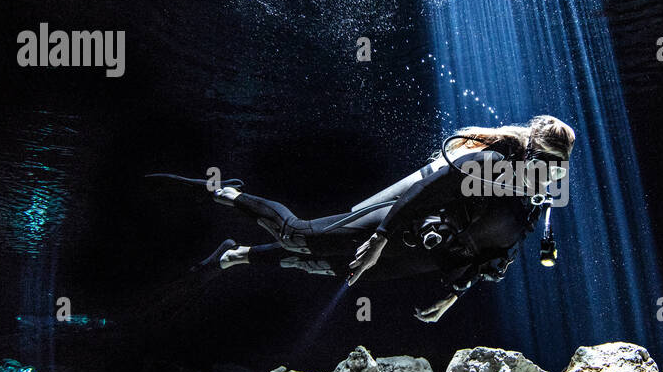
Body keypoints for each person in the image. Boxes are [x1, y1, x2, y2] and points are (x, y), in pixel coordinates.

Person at [148, 115, 574, 322]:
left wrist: (454, 294)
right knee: (298, 235)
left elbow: (496, 252)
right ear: (528, 153)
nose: (550, 175)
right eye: (545, 163)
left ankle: (237, 256)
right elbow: (424, 190)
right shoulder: (494, 164)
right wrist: (379, 239)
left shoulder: (532, 202)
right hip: (394, 227)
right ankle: (229, 192)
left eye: (559, 168)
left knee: (326, 265)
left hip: (417, 259)